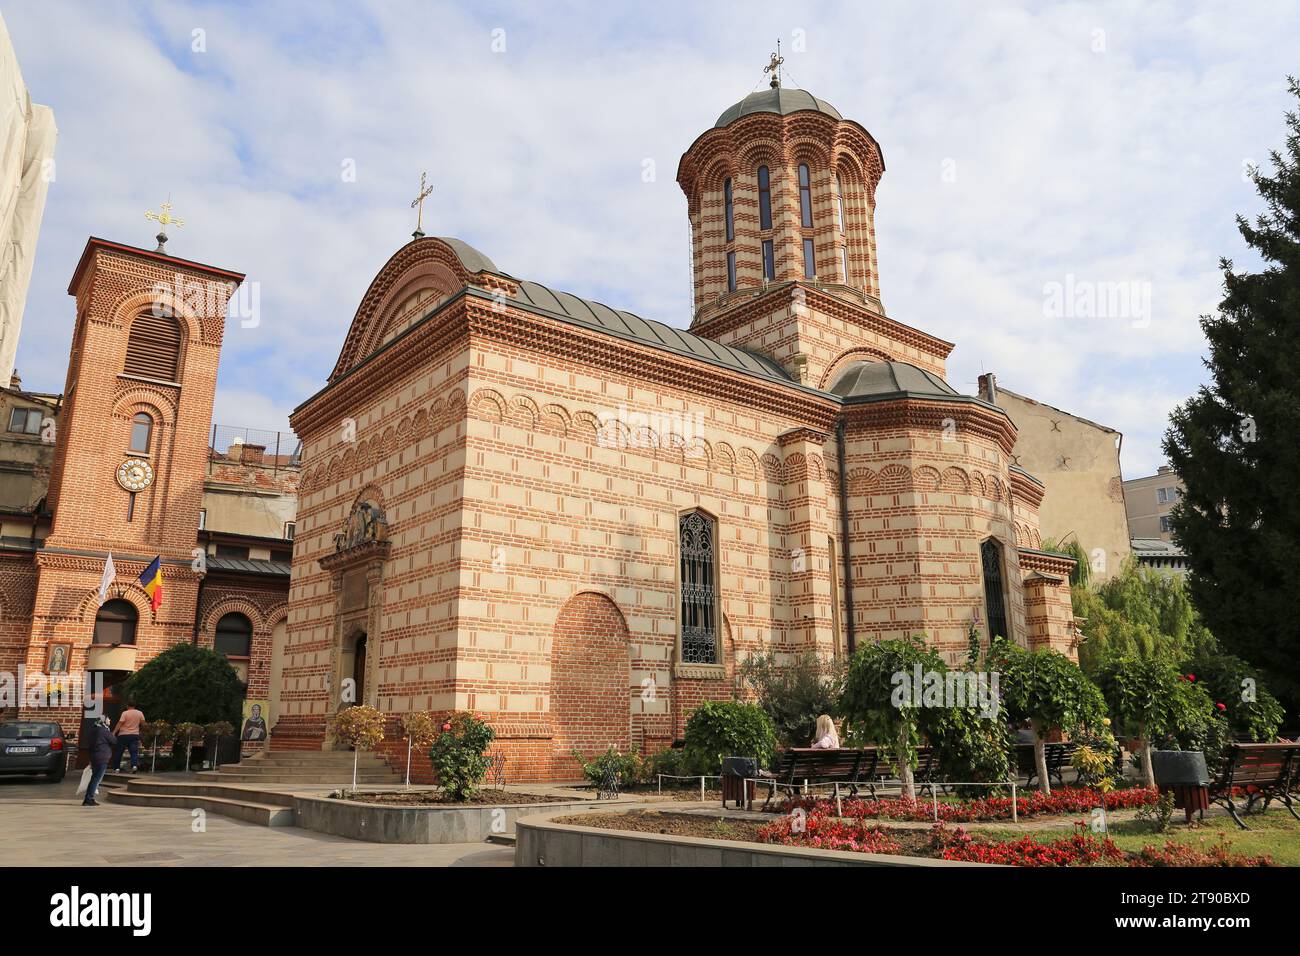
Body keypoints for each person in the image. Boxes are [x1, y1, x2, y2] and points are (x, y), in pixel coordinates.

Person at [84, 717, 116, 807]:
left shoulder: (93, 731)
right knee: (96, 779)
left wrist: (90, 759)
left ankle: (88, 798)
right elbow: (114, 741)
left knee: (94, 778)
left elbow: (89, 746)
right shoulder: (104, 731)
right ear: (104, 721)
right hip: (102, 757)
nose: (110, 720)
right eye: (108, 719)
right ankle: (89, 799)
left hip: (94, 757)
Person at [112, 701, 145, 773]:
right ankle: (134, 766)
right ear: (135, 706)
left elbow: (120, 723)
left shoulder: (125, 713)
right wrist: (141, 732)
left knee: (119, 752)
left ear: (127, 706)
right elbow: (143, 724)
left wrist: (114, 732)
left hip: (123, 735)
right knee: (134, 752)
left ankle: (117, 768)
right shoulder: (140, 713)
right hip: (134, 735)